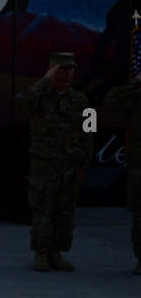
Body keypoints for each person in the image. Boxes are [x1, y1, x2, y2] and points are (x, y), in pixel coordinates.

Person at [21, 52, 93, 272]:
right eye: (63, 68)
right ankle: (41, 253)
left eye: (71, 68)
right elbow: (26, 103)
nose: (68, 72)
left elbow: (88, 133)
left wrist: (85, 164)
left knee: (65, 211)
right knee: (43, 209)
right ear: (53, 70)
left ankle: (57, 252)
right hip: (45, 163)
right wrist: (45, 79)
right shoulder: (41, 97)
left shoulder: (80, 100)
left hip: (70, 165)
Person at [102, 70, 141, 274]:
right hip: (139, 165)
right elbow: (110, 101)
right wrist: (135, 81)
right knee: (139, 215)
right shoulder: (136, 97)